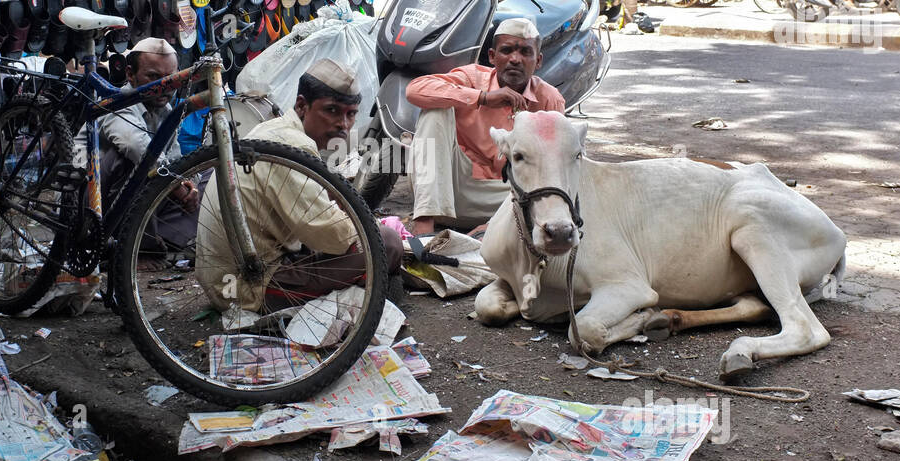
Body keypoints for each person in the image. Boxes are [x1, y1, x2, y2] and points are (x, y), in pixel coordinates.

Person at [195, 59, 403, 310]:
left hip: (225, 281)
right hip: (248, 287)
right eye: (332, 111)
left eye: (350, 114)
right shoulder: (295, 145)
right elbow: (332, 236)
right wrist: (365, 226)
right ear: (302, 105)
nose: (343, 125)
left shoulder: (276, 130)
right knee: (387, 243)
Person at [406, 18, 564, 235]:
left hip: (508, 201)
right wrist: (482, 97)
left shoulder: (548, 99)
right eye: (506, 50)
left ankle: (494, 228)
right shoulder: (472, 78)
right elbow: (415, 90)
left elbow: (557, 168)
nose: (515, 59)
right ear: (492, 56)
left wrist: (494, 224)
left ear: (538, 61)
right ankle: (424, 224)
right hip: (450, 194)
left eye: (525, 52)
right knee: (435, 108)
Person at [99, 39, 202, 248]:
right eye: (153, 77)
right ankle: (136, 247)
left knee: (207, 169)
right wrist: (177, 186)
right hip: (96, 208)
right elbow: (138, 149)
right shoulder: (118, 104)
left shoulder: (166, 112)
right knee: (139, 162)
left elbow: (175, 158)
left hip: (140, 202)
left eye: (170, 78)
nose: (164, 87)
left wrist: (188, 183)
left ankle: (163, 238)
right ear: (130, 74)